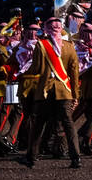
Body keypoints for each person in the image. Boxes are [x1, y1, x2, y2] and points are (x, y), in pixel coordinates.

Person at [20, 17, 81, 169]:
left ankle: (31, 157)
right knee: (68, 124)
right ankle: (76, 157)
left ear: (46, 29)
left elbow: (37, 69)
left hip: (45, 91)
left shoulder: (41, 45)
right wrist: (75, 95)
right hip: (64, 91)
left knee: (38, 124)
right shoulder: (69, 46)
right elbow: (74, 73)